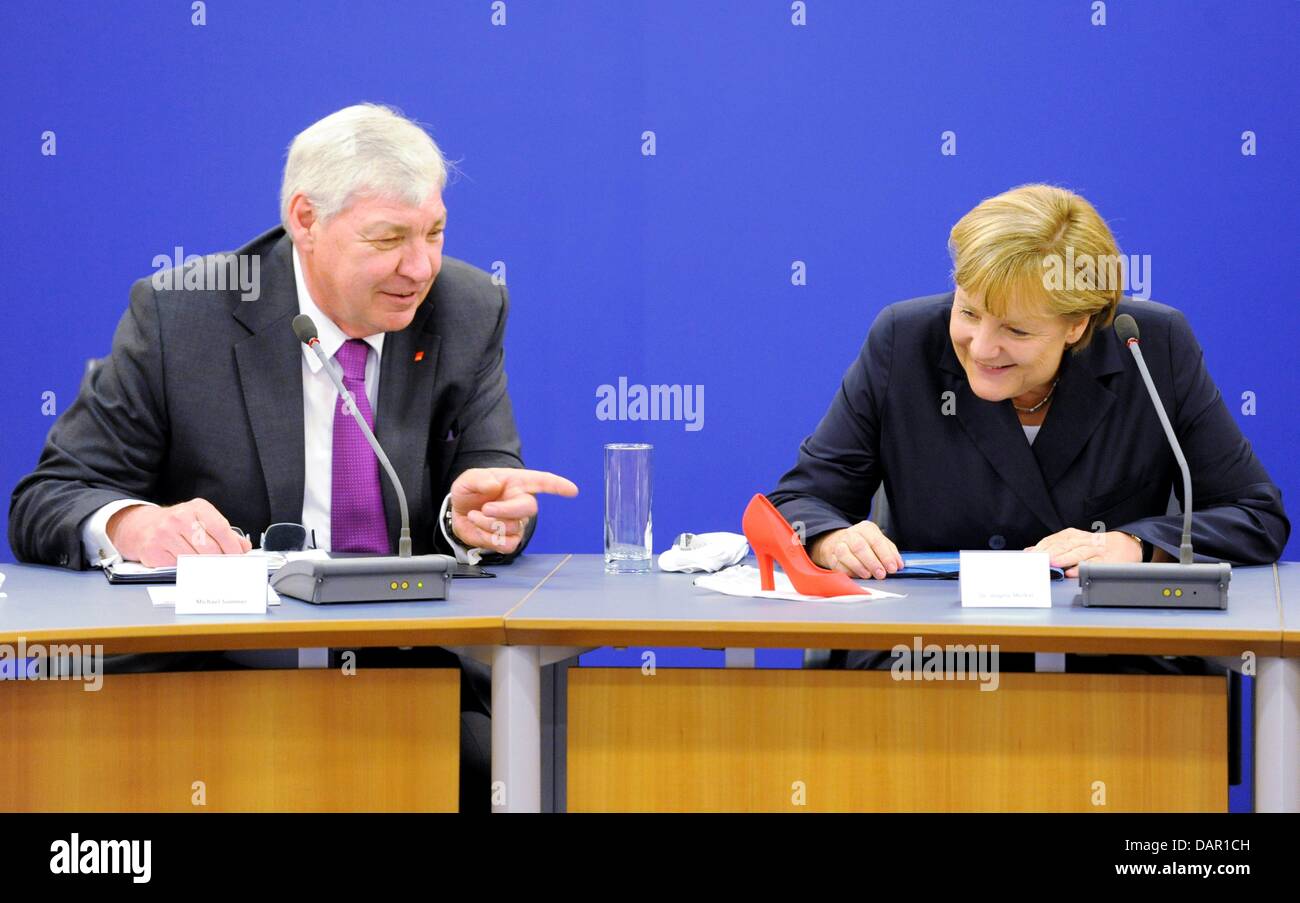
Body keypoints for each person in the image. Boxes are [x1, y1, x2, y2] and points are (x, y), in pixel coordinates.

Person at [8, 103, 578, 809]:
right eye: (389, 238)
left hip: (409, 673)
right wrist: (128, 524)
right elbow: (49, 496)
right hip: (218, 670)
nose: (420, 265)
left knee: (530, 768)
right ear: (304, 220)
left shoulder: (466, 307)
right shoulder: (182, 315)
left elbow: (490, 486)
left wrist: (477, 520)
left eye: (434, 232)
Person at [768, 183, 1289, 672]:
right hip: (928, 656)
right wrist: (832, 538)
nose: (981, 346)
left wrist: (1137, 545)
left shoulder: (1151, 347)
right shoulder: (905, 340)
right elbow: (802, 502)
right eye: (969, 312)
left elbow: (1255, 516)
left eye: (1015, 329)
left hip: (1109, 659)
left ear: (1077, 324)